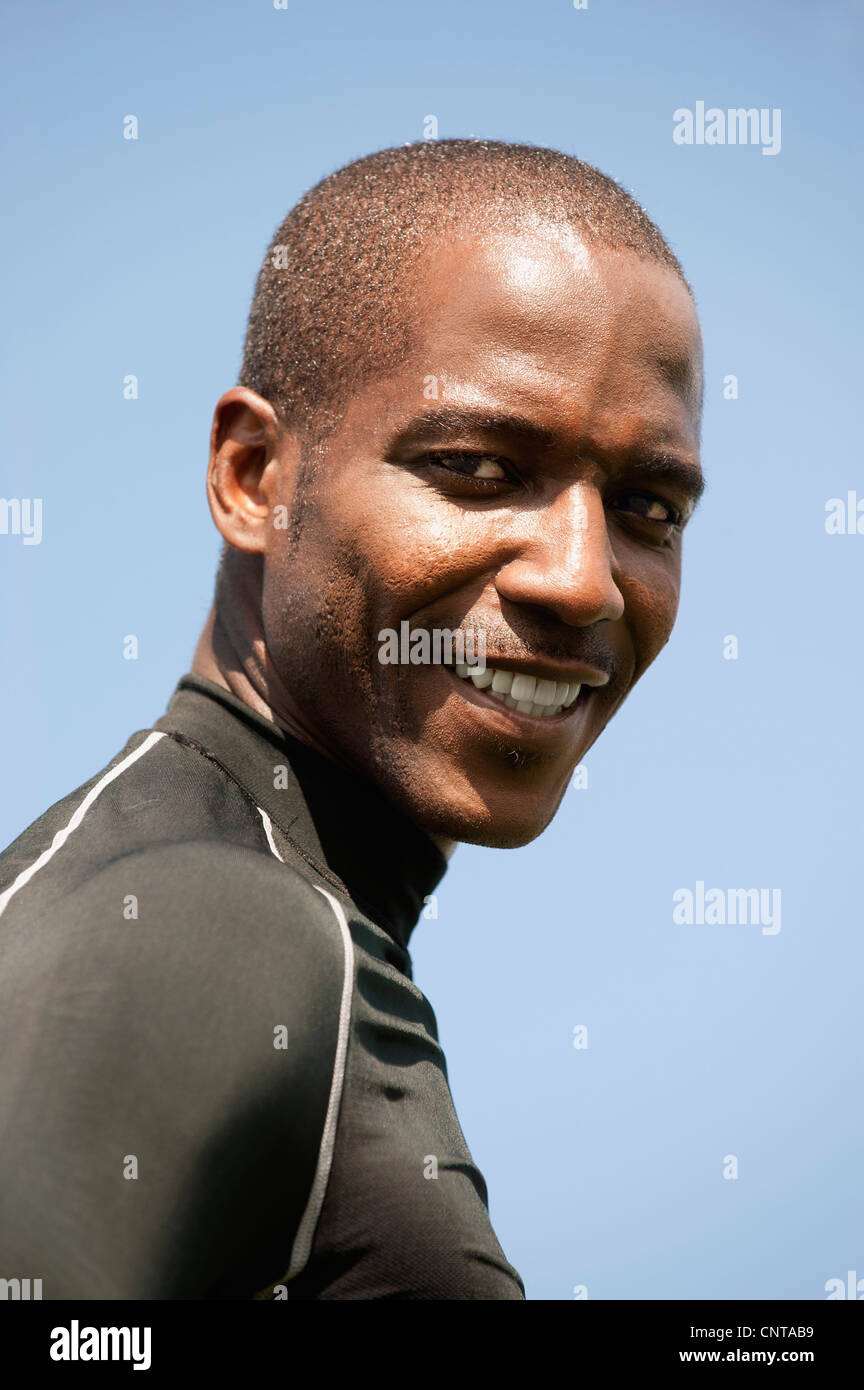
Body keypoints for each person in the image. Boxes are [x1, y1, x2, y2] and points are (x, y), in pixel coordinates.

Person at [0, 139, 704, 1300]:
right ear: (253, 475)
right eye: (478, 465)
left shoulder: (269, 916)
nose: (583, 582)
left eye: (646, 505)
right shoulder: (207, 916)